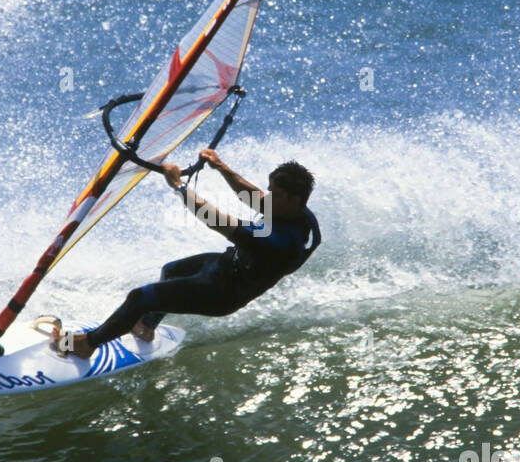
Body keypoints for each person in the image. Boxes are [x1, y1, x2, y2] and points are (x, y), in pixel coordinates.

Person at [50, 149, 320, 359]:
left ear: (293, 200)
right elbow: (254, 197)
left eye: (274, 194)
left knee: (140, 297)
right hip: (228, 265)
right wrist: (220, 166)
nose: (266, 198)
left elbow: (217, 221)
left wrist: (179, 186)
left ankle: (88, 345)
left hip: (223, 291)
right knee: (172, 270)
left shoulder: (281, 242)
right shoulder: (293, 210)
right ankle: (145, 328)